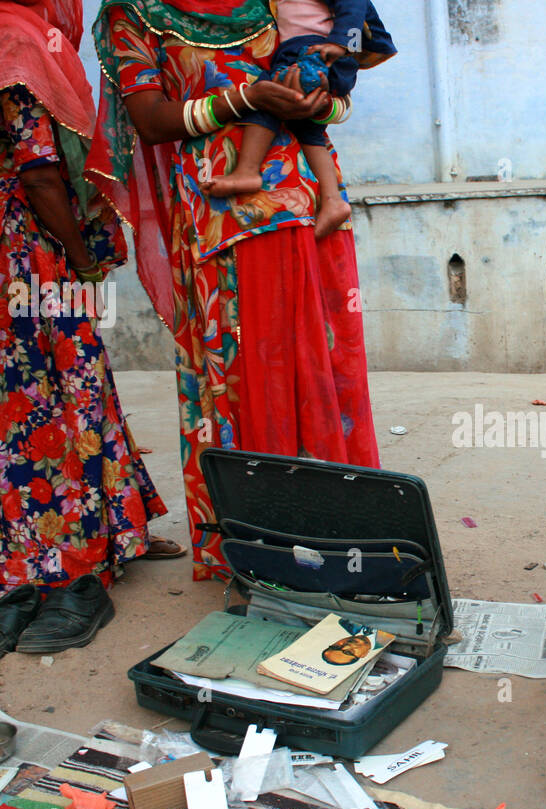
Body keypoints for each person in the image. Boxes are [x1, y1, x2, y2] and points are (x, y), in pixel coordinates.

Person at [87, 0, 380, 583]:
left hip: (309, 206)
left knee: (318, 367)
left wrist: (323, 102)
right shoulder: (134, 11)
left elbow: (339, 69)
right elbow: (148, 120)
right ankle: (268, 556)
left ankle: (336, 543)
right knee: (247, 376)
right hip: (221, 212)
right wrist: (245, 100)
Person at [0, 0, 181, 677]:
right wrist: (78, 256)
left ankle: (99, 531)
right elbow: (42, 172)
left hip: (4, 250)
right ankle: (62, 565)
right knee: (45, 403)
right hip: (34, 249)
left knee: (50, 392)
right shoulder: (15, 43)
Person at [202, 0, 396, 242]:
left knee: (268, 95)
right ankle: (333, 201)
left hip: (315, 52)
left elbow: (354, 5)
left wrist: (343, 46)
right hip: (311, 53)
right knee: (308, 130)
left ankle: (247, 171)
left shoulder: (336, 43)